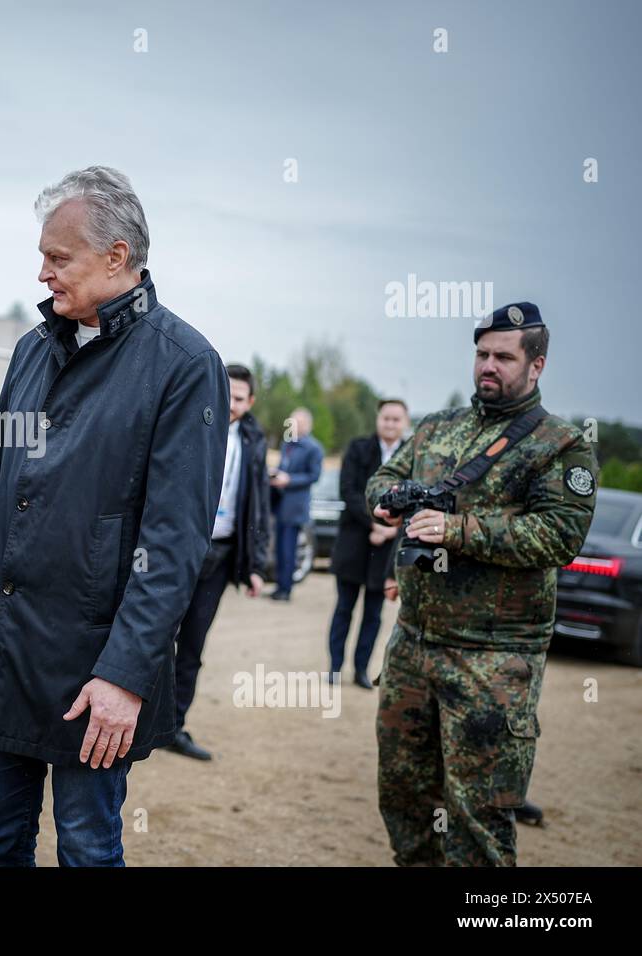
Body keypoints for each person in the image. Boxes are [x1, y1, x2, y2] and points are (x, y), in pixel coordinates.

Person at [0, 166, 229, 867]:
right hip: (1, 649)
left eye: (57, 257)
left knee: (89, 847)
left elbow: (172, 540)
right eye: (43, 256)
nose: (42, 273)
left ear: (117, 257)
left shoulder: (185, 364)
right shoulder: (32, 350)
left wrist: (126, 675)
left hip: (93, 669)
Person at [368, 302, 596, 866]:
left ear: (536, 366)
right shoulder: (438, 426)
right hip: (414, 646)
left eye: (503, 356)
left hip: (495, 660)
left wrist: (455, 529)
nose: (488, 366)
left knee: (478, 818)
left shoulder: (560, 445)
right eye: (481, 354)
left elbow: (559, 535)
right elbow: (385, 476)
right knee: (404, 798)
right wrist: (389, 502)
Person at [168, 364, 270, 761]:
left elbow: (258, 503)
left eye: (240, 399)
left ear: (251, 402)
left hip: (221, 554)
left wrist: (256, 565)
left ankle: (173, 727)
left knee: (192, 646)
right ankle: (139, 721)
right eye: (226, 394)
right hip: (177, 551)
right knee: (155, 639)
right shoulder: (190, 422)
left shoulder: (254, 439)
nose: (231, 404)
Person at [326, 399, 409, 688]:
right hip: (354, 542)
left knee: (373, 614)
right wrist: (372, 523)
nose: (390, 424)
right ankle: (334, 667)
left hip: (386, 550)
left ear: (405, 423)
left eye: (396, 419)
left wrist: (389, 532)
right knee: (343, 609)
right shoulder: (358, 448)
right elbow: (348, 491)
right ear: (378, 419)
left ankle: (361, 669)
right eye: (386, 418)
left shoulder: (411, 455)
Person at [269, 407, 323, 600]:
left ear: (307, 425)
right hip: (281, 504)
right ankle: (279, 585)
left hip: (295, 507)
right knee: (279, 548)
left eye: (298, 422)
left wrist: (289, 480)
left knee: (289, 549)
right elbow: (283, 466)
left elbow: (314, 476)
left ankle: (286, 589)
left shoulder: (313, 448)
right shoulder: (287, 444)